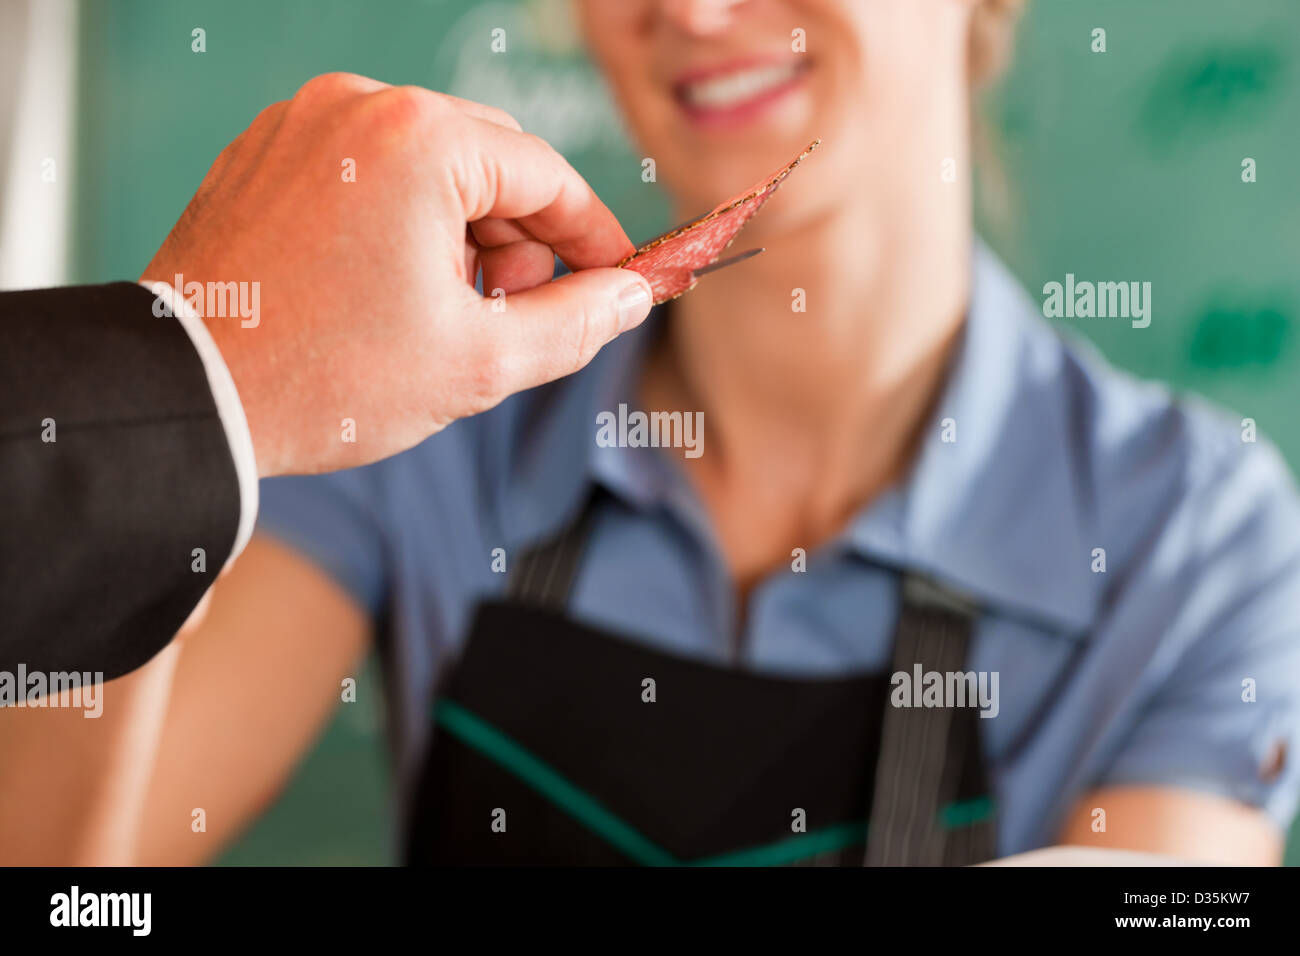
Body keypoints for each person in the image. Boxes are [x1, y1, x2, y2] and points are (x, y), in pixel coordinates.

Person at [8, 0, 1300, 866]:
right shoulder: (430, 419)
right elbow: (63, 859)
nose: (686, 9)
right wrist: (188, 371)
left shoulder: (1199, 534)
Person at [0, 73, 654, 679]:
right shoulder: (403, 423)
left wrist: (194, 361)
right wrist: (202, 360)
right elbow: (41, 803)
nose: (694, 9)